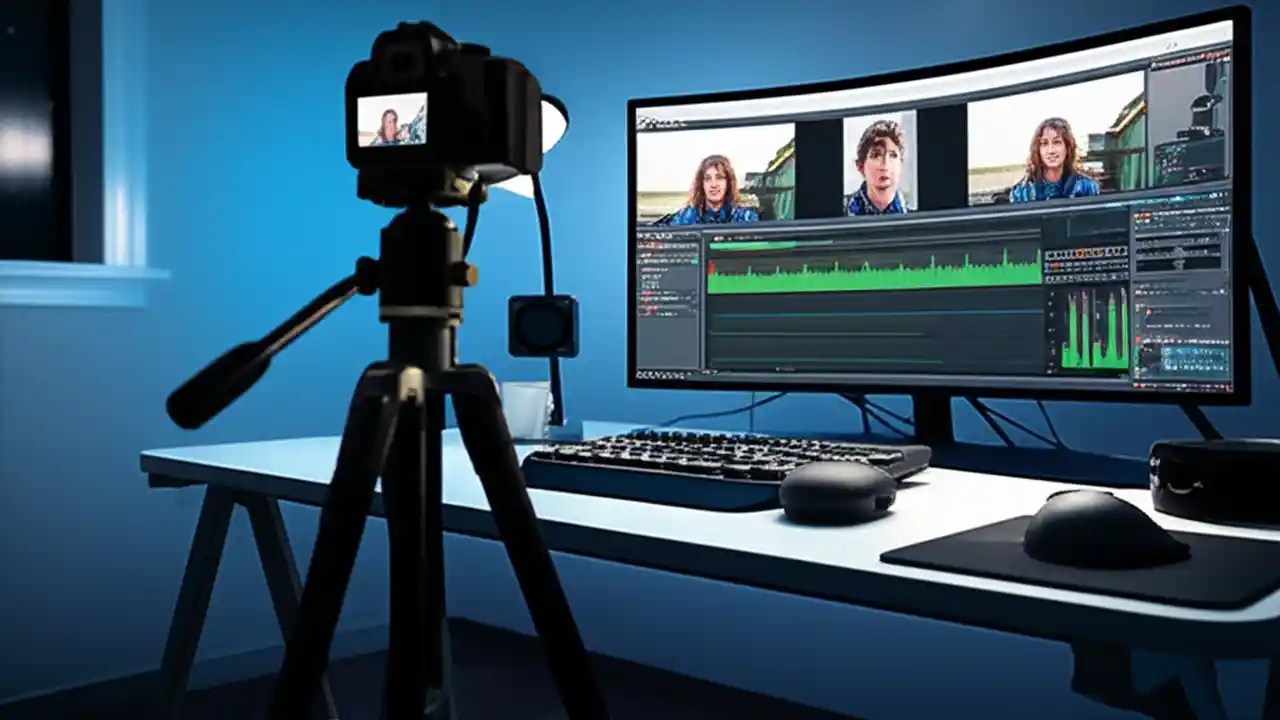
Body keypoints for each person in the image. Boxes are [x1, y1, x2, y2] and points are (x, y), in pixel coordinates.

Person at [1009, 117, 1100, 203]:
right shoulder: (1022, 192)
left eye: (1057, 142)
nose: (1050, 150)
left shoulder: (1087, 188)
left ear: (1067, 147)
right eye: (1044, 143)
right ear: (1037, 150)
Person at [658, 154, 760, 225]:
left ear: (728, 182)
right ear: (701, 184)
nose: (714, 185)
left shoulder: (745, 218)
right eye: (707, 179)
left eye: (719, 178)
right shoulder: (686, 217)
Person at [846, 119, 910, 216]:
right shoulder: (842, 212)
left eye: (893, 156)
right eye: (876, 155)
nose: (885, 165)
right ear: (860, 166)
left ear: (901, 164)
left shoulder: (915, 218)